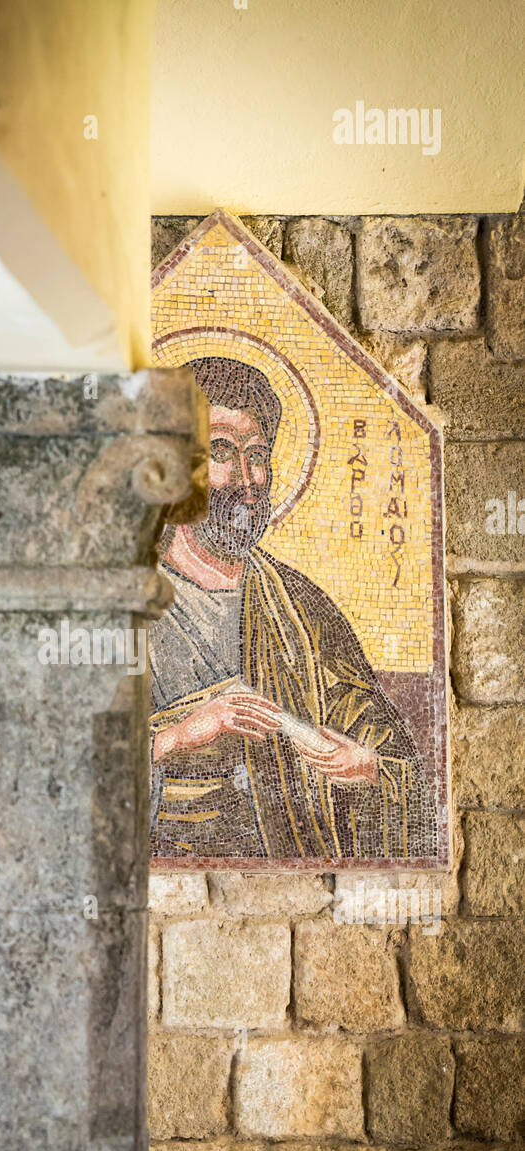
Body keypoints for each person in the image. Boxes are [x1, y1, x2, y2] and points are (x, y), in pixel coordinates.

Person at [150, 355, 437, 861]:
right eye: (221, 450)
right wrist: (177, 736)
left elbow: (401, 768)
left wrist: (363, 766)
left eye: (257, 454)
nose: (247, 477)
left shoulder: (300, 608)